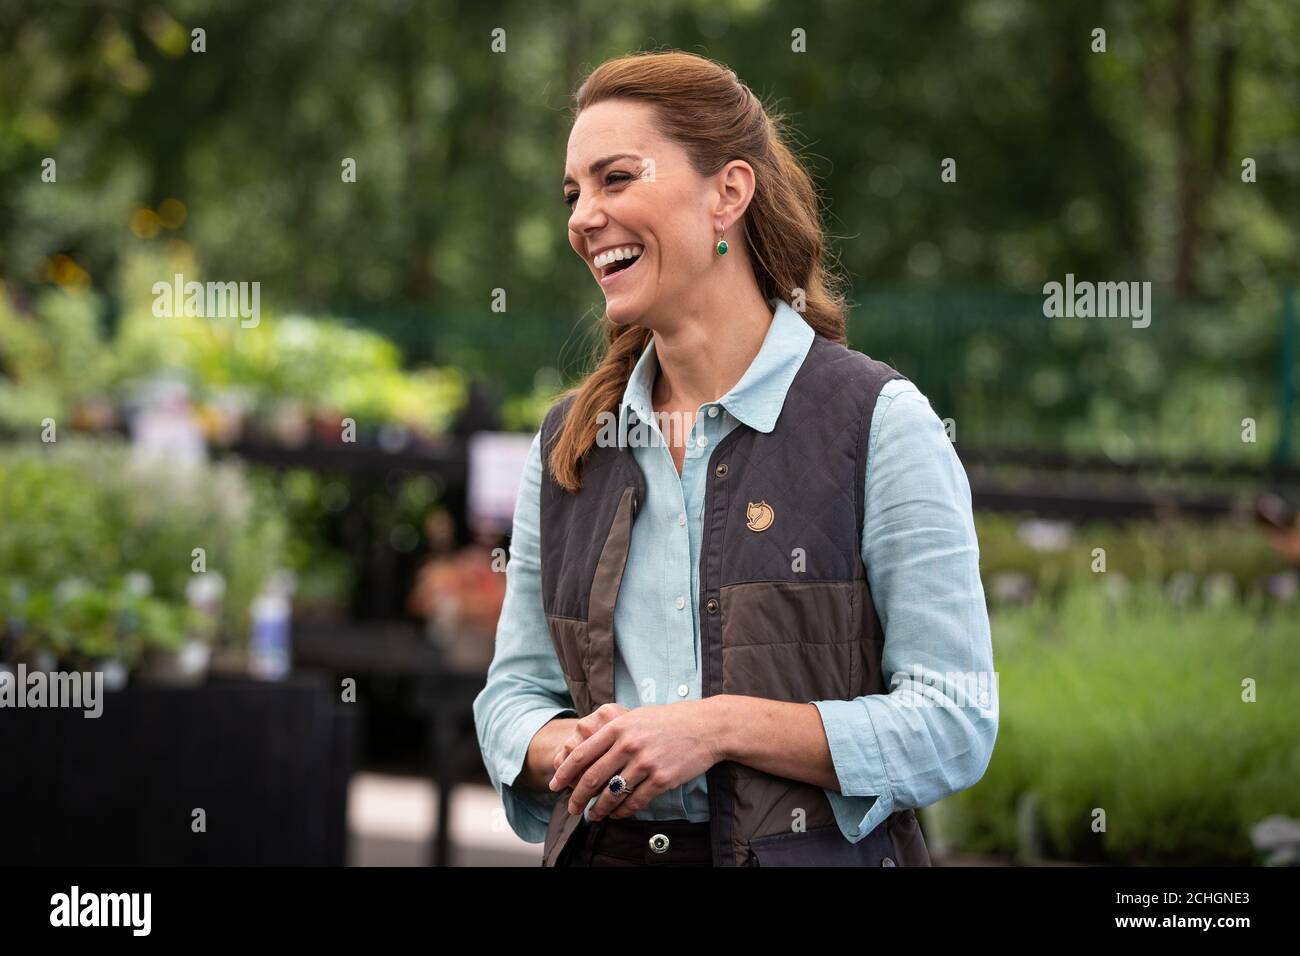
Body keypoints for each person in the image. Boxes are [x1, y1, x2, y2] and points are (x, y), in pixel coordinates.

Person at [473, 50, 998, 867]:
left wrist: (713, 728)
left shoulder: (879, 424)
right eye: (574, 194)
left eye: (616, 179)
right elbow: (511, 697)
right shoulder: (570, 442)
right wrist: (589, 749)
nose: (582, 217)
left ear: (729, 192)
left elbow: (954, 721)